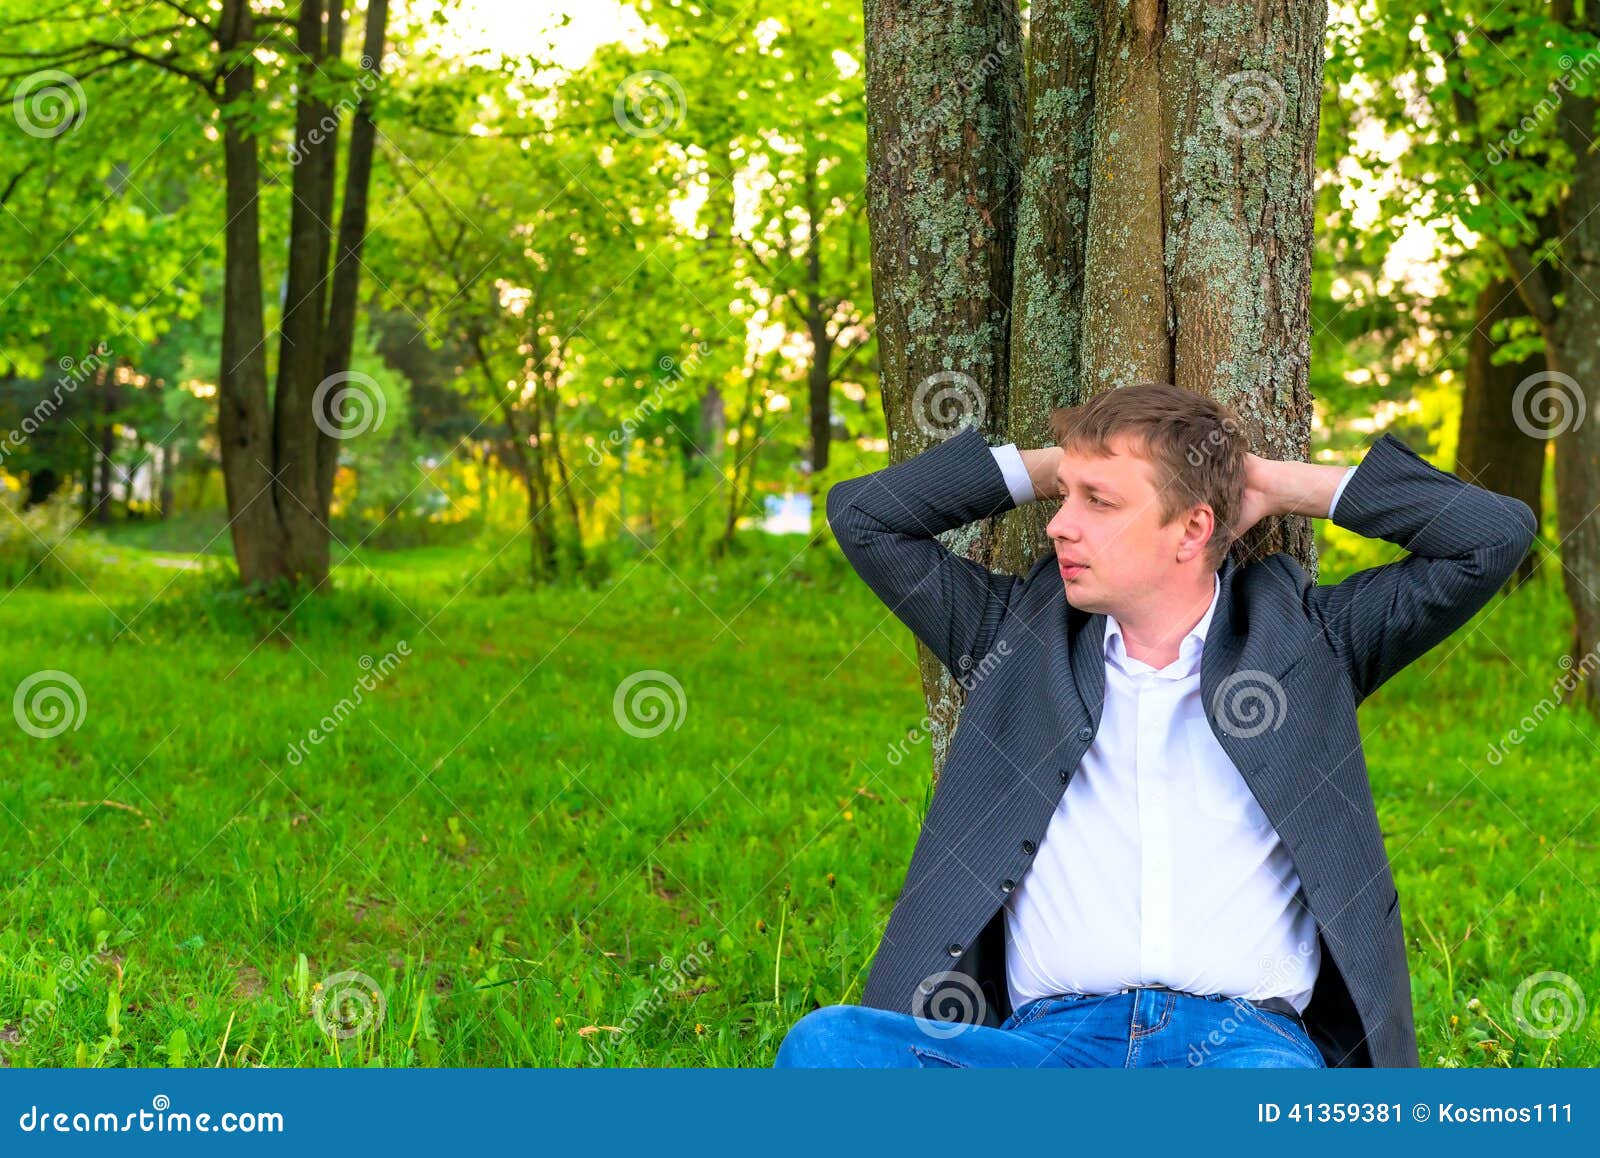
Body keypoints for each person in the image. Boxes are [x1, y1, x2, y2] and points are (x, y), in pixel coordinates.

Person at [775, 382, 1536, 1068]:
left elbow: (1492, 534)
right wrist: (1060, 466)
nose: (1059, 526)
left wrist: (1275, 484)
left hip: (1241, 1052)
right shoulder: (1012, 635)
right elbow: (865, 517)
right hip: (1049, 1053)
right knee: (829, 1047)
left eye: (1099, 503)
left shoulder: (1311, 642)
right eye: (1063, 498)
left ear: (1192, 529)